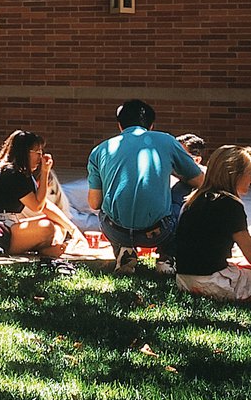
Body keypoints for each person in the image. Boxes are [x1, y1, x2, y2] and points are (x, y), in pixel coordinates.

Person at [87, 99, 203, 274]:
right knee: (185, 187)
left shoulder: (99, 150)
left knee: (106, 207)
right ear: (151, 125)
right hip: (159, 231)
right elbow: (200, 181)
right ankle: (167, 256)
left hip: (115, 230)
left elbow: (95, 203)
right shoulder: (166, 141)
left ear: (120, 126)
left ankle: (123, 249)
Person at [173, 144, 251, 301]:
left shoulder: (195, 198)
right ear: (235, 175)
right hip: (212, 282)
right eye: (249, 174)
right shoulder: (229, 204)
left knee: (244, 265)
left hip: (184, 279)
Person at [0, 130, 82, 257]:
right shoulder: (12, 173)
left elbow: (44, 205)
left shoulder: (14, 171)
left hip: (7, 224)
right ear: (24, 152)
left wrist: (73, 229)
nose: (41, 157)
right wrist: (45, 172)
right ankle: (46, 249)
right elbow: (37, 206)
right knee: (47, 227)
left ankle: (47, 248)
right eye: (37, 152)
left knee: (58, 226)